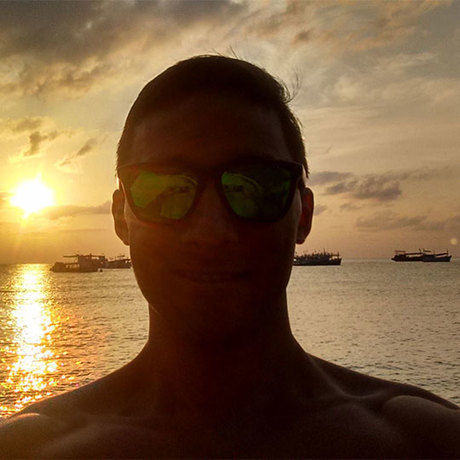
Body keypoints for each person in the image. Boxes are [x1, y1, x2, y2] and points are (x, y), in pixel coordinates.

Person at [1, 55, 458, 458]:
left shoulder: (430, 442)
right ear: (122, 216)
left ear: (303, 215)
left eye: (254, 187)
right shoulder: (26, 449)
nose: (211, 232)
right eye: (165, 190)